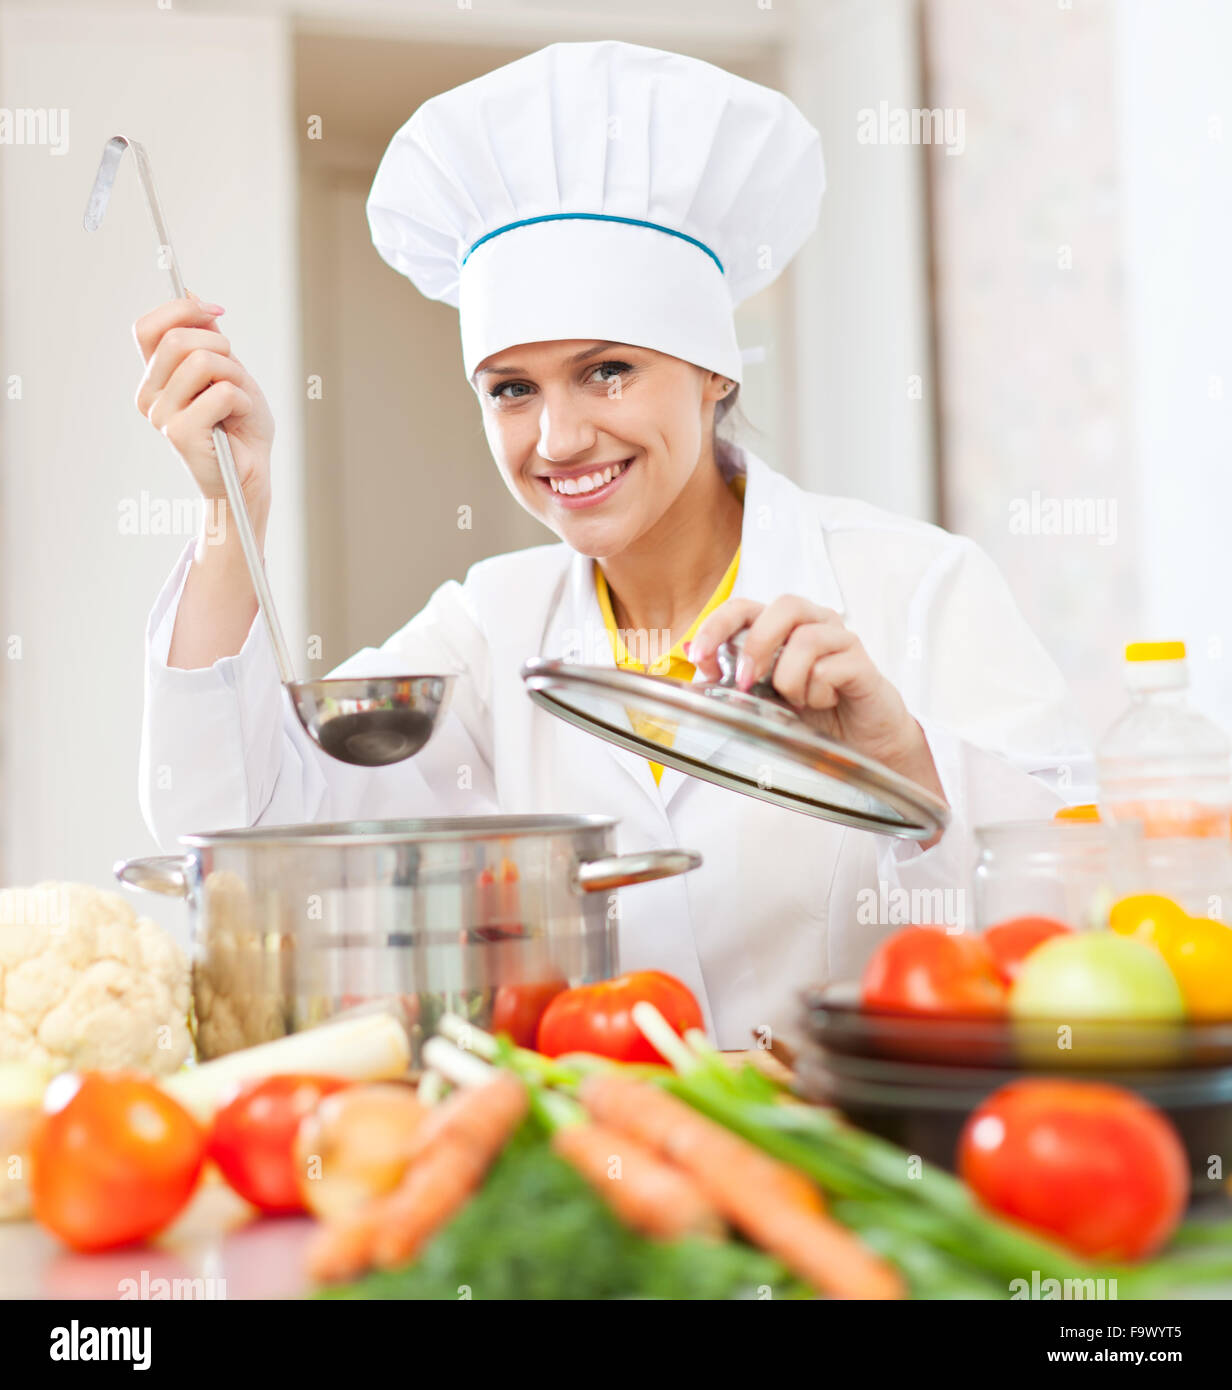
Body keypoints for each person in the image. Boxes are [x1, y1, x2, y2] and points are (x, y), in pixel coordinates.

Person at [133, 40, 1091, 1048]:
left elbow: (1076, 934)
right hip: (602, 1178)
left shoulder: (920, 588)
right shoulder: (485, 629)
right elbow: (243, 827)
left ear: (714, 372)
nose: (557, 439)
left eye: (606, 371)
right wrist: (227, 513)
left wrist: (903, 762)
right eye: (511, 388)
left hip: (865, 1172)